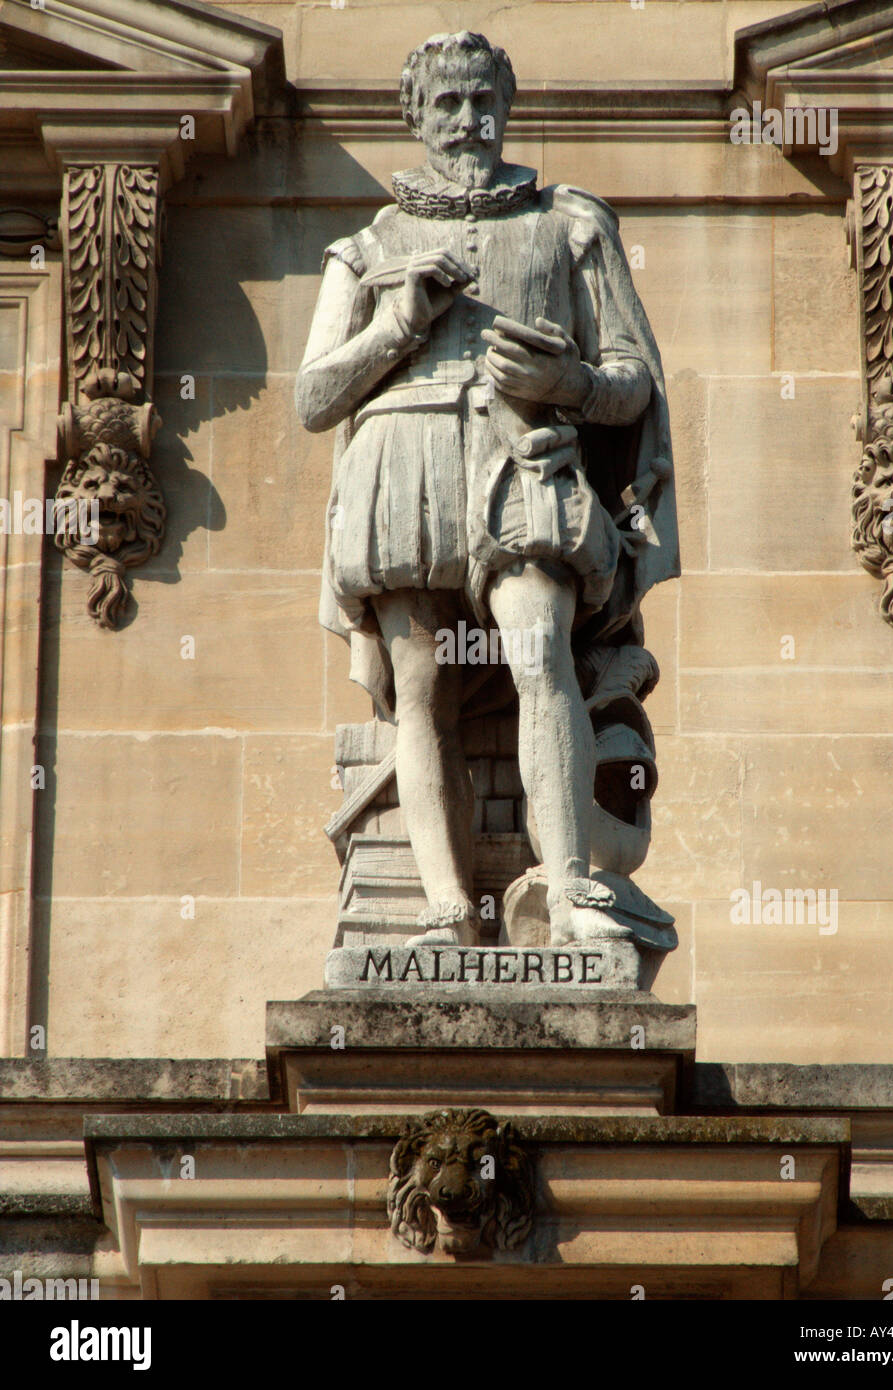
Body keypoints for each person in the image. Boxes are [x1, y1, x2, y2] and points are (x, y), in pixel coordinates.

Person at [296, 31, 677, 946]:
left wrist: (571, 386)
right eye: (446, 105)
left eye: (481, 101)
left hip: (526, 458)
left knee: (540, 651)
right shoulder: (366, 246)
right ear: (415, 117)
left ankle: (572, 885)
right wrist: (396, 326)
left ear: (505, 106)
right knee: (421, 686)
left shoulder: (571, 223)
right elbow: (312, 398)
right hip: (405, 462)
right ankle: (442, 911)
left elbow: (635, 381)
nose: (467, 121)